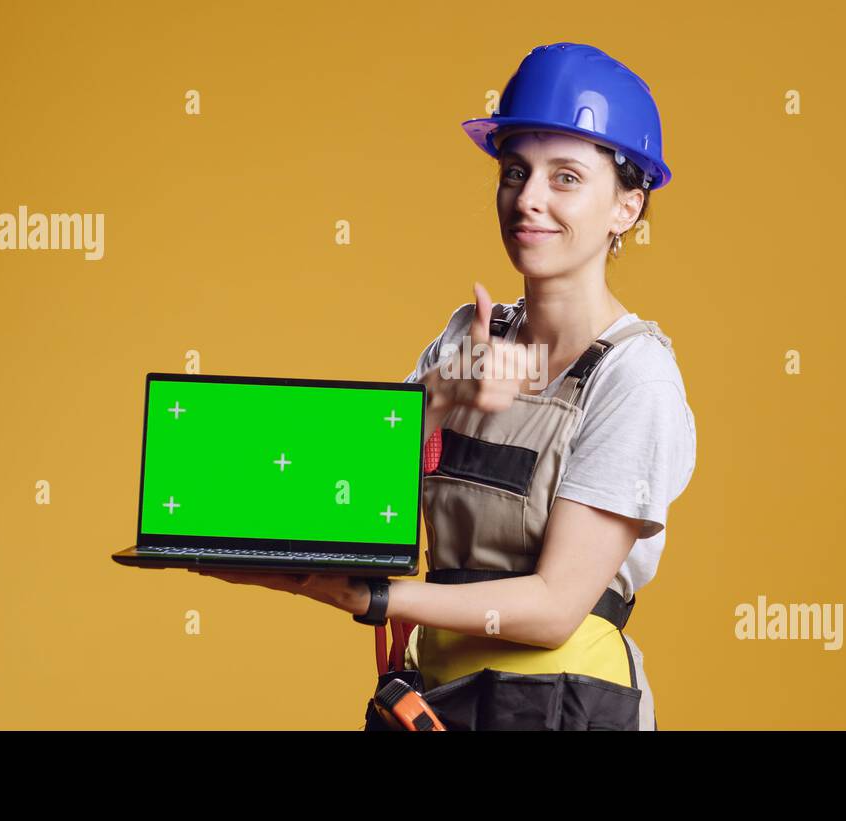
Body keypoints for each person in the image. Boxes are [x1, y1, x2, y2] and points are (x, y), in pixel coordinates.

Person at [193, 42, 696, 731]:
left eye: (567, 177)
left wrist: (377, 598)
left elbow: (554, 606)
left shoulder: (633, 376)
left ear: (627, 207)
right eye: (516, 171)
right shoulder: (466, 338)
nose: (530, 198)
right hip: (440, 703)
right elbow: (342, 492)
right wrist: (440, 393)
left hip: (565, 707)